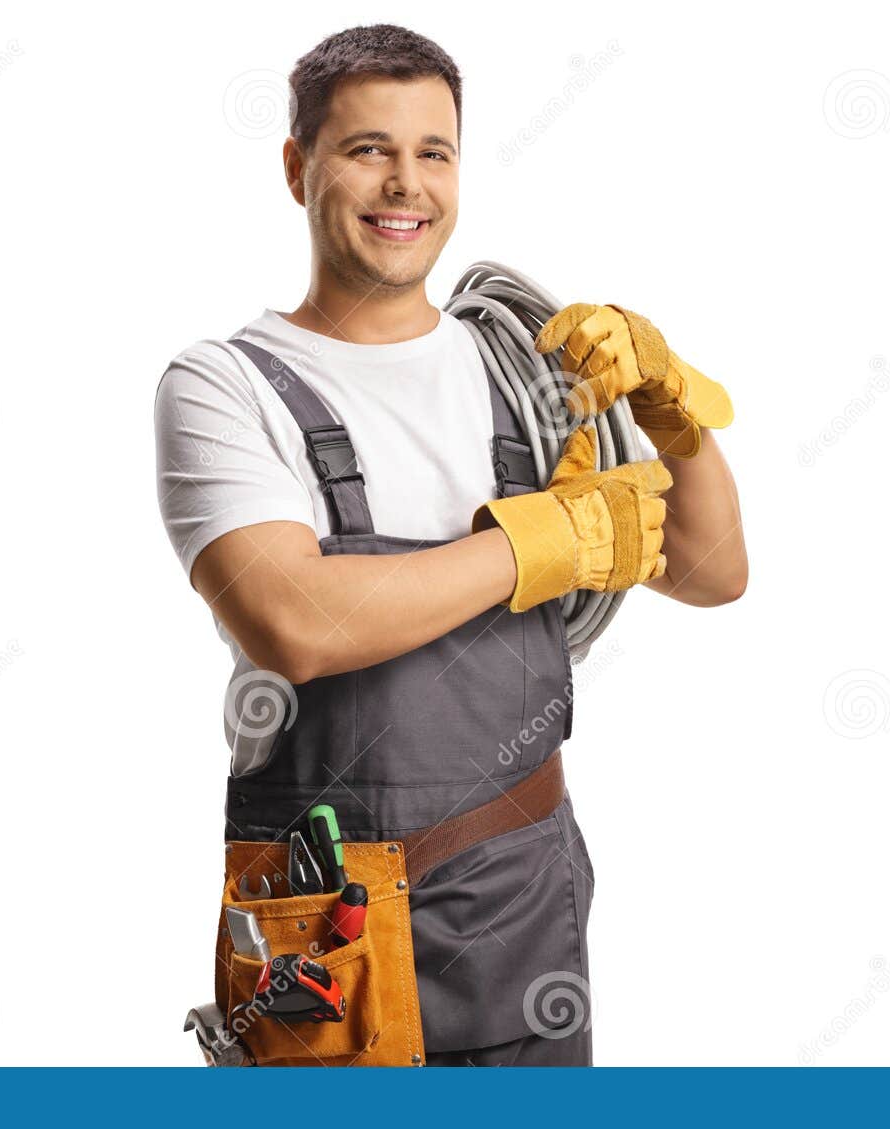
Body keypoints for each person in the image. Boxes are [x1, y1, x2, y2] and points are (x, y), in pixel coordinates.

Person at [155, 23, 747, 1067]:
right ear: (298, 168)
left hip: (518, 898)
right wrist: (545, 539)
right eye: (367, 149)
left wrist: (668, 411)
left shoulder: (521, 367)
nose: (405, 184)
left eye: (434, 152)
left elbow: (711, 572)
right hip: (323, 915)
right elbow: (295, 619)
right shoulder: (224, 384)